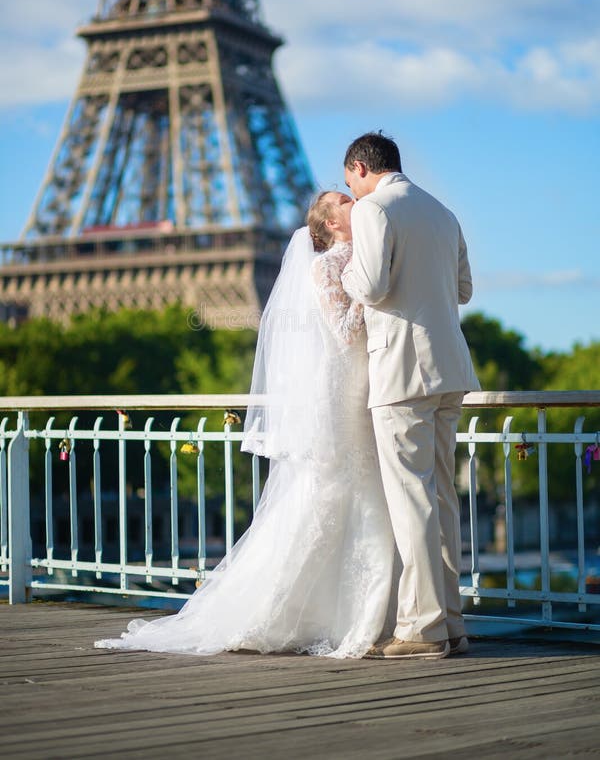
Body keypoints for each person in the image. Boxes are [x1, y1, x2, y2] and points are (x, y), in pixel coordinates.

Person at [95, 192, 395, 658]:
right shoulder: (326, 268)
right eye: (341, 200)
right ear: (331, 223)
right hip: (339, 394)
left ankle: (363, 611)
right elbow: (344, 333)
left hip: (360, 388)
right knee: (333, 493)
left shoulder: (362, 257)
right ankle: (294, 613)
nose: (351, 199)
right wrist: (371, 292)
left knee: (357, 496)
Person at [341, 132, 480, 659]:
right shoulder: (444, 213)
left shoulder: (372, 210)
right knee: (442, 497)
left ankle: (421, 629)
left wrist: (349, 264)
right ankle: (450, 621)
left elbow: (372, 284)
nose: (349, 192)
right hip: (450, 367)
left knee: (412, 500)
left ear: (359, 168)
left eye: (348, 181)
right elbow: (463, 291)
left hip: (402, 368)